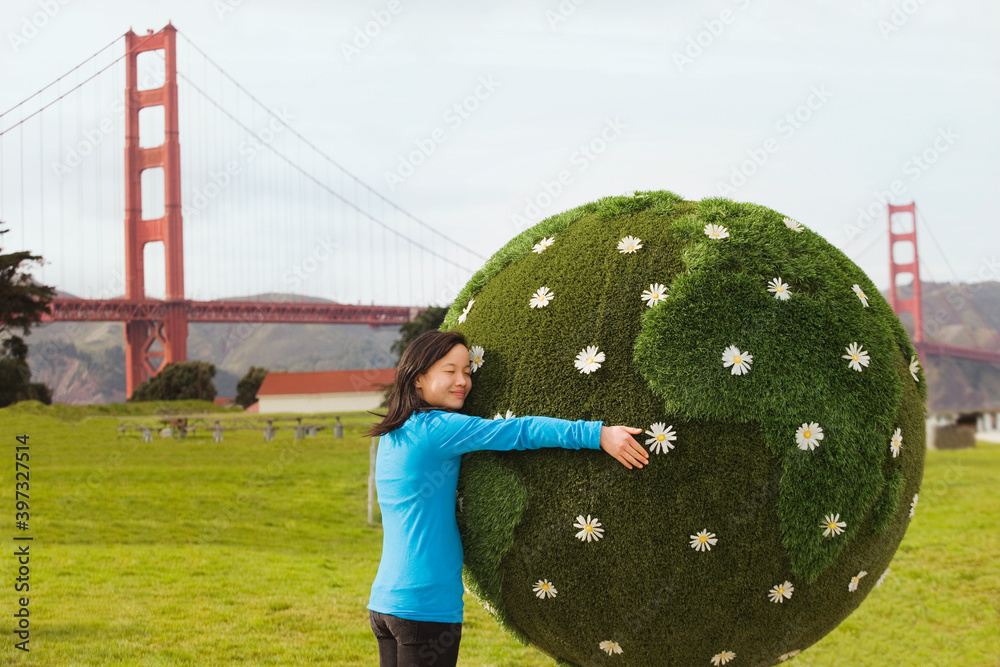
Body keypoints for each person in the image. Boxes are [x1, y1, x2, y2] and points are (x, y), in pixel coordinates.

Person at [366, 330, 648, 667]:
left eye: (467, 372)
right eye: (449, 371)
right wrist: (598, 434)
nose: (462, 381)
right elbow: (519, 431)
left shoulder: (394, 431)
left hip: (385, 604)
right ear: (418, 379)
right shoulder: (438, 428)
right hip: (423, 608)